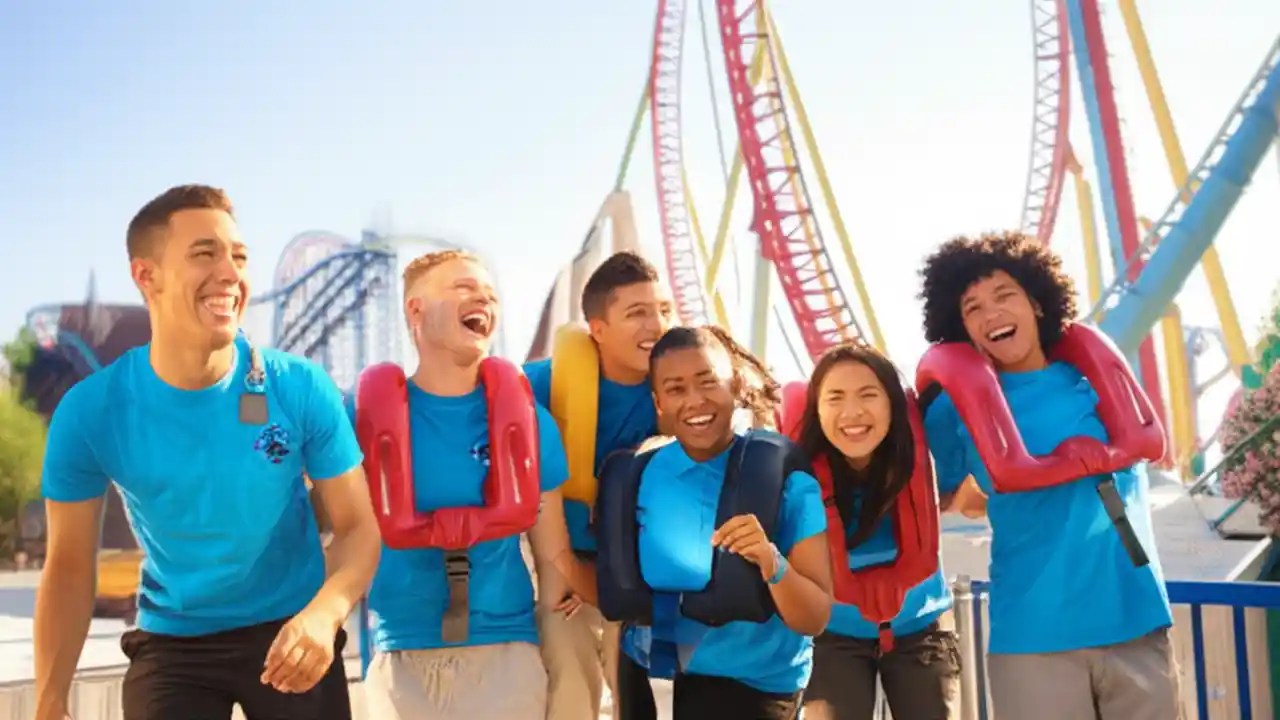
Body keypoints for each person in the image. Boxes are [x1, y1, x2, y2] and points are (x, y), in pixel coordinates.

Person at [34, 184, 382, 720]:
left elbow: (359, 528)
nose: (230, 273)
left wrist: (325, 614)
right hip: (175, 639)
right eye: (205, 253)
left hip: (291, 623)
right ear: (146, 276)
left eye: (238, 257)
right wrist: (49, 700)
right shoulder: (91, 412)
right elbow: (69, 566)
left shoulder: (300, 388)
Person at [917, 231, 1179, 720]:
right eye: (972, 307)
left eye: (1004, 295)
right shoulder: (953, 407)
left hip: (1137, 620)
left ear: (1037, 303)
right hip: (1035, 635)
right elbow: (942, 496)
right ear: (962, 328)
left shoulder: (1092, 379)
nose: (991, 313)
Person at [355, 249, 592, 720]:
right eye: (463, 288)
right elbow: (339, 530)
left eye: (490, 293)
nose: (483, 298)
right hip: (400, 655)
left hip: (506, 654)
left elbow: (552, 555)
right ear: (415, 309)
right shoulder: (359, 418)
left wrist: (564, 671)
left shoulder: (528, 422)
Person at [609, 325, 832, 720]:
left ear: (735, 384)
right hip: (648, 680)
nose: (694, 401)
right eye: (676, 389)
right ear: (658, 402)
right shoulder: (638, 474)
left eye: (707, 382)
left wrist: (771, 562)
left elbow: (814, 617)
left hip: (753, 688)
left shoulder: (788, 482)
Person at [523, 250, 674, 719]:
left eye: (663, 310)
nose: (656, 325)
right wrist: (562, 564)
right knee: (569, 677)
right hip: (557, 553)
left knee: (634, 687)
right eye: (637, 313)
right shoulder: (539, 384)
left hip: (636, 560)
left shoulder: (680, 382)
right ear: (598, 329)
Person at [794, 343, 959, 720]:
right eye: (835, 398)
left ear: (893, 404)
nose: (852, 413)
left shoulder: (926, 449)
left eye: (868, 395)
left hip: (921, 629)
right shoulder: (793, 470)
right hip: (833, 636)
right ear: (816, 411)